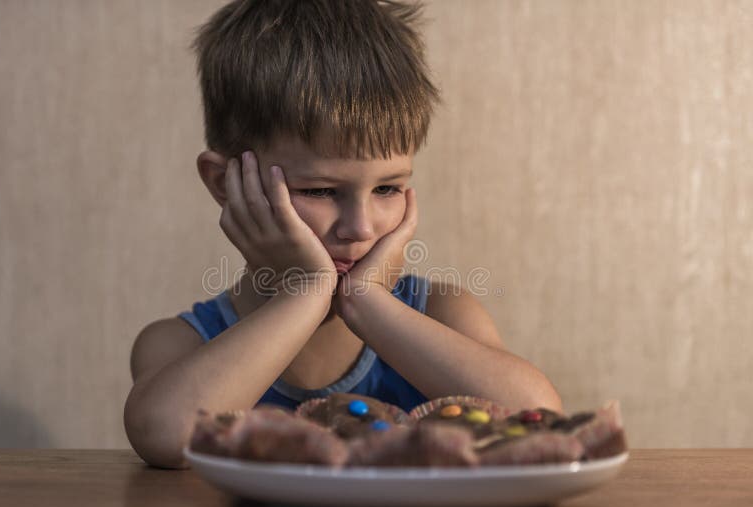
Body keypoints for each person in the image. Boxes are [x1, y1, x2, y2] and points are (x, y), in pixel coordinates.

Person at [124, 0, 562, 469]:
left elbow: (539, 418)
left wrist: (367, 302)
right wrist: (305, 293)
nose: (362, 227)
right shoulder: (182, 344)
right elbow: (167, 435)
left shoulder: (443, 314)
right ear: (224, 183)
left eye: (389, 187)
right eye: (321, 190)